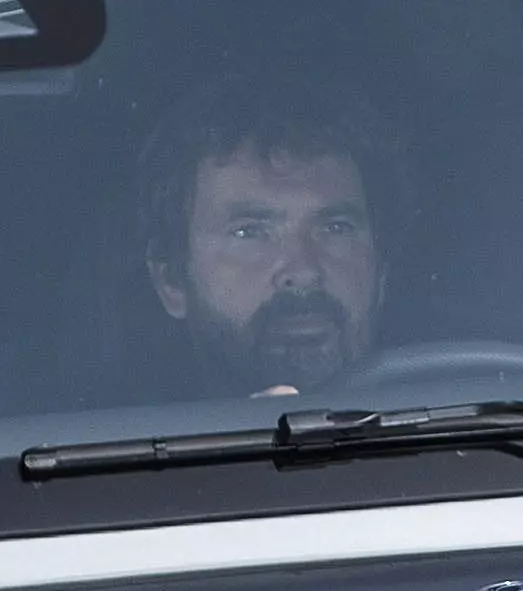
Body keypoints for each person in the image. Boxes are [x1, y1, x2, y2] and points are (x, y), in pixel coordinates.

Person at [139, 68, 394, 398]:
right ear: (171, 281)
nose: (304, 272)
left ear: (382, 269)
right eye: (250, 232)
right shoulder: (92, 440)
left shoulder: (467, 418)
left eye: (335, 228)